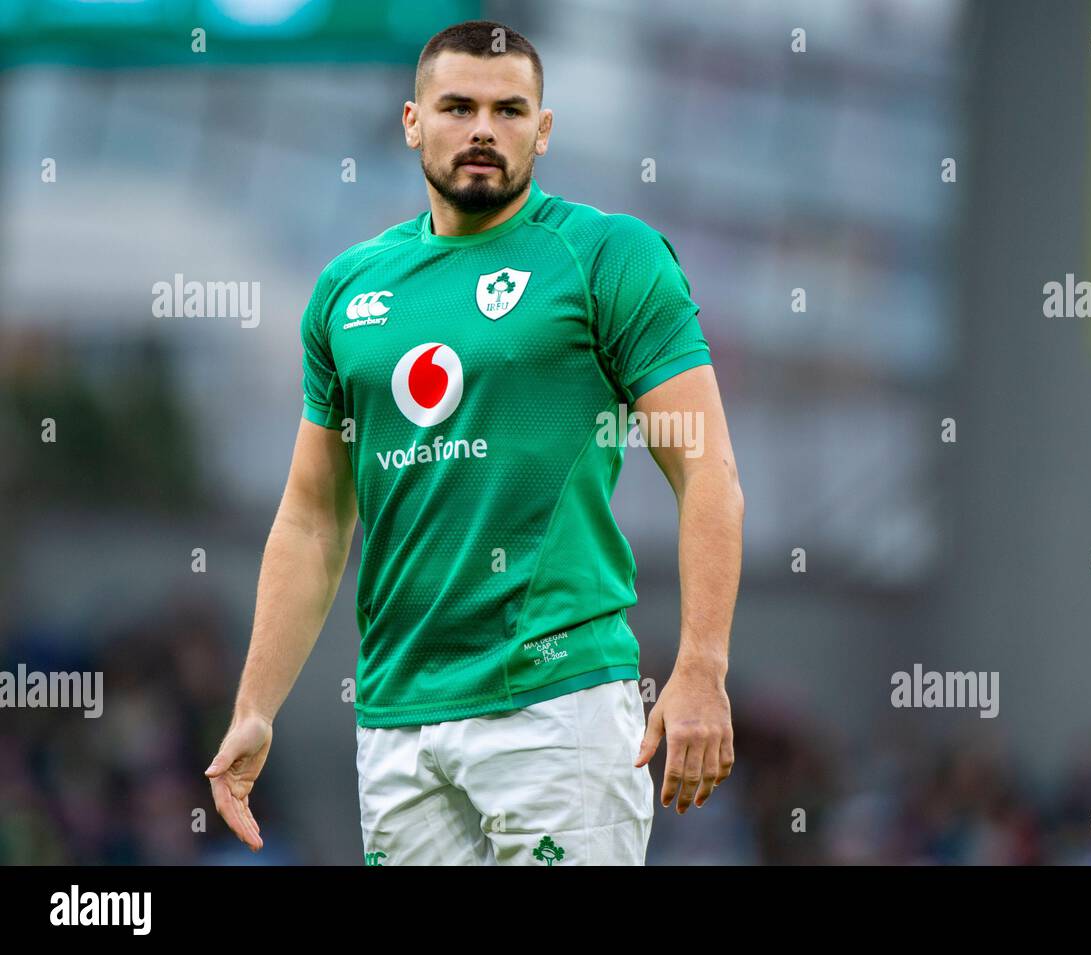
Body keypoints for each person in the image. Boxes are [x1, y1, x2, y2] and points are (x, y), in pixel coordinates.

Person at [204, 18, 744, 866]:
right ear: (413, 121)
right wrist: (255, 704)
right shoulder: (348, 290)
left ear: (544, 128)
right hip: (396, 718)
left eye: (510, 109)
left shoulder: (610, 257)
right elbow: (312, 519)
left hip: (556, 704)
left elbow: (707, 469)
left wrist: (702, 665)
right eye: (458, 106)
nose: (484, 129)